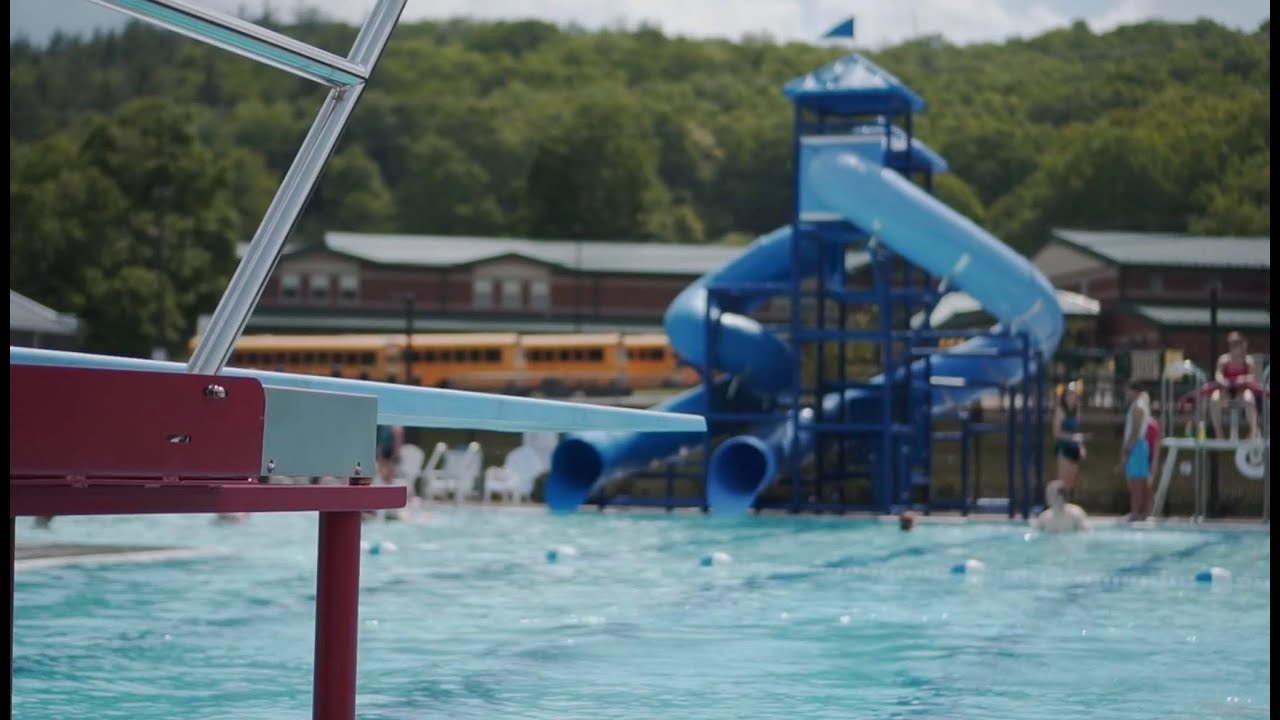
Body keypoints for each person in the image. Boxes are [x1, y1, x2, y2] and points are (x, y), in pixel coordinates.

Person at [1210, 331, 1260, 440]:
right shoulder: (1223, 360)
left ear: (1243, 344)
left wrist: (1242, 379)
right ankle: (1219, 434)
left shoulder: (1248, 361)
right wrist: (1223, 381)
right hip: (1226, 392)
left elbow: (1253, 378)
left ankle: (1253, 432)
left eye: (1237, 343)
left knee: (1249, 398)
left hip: (1242, 392)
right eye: (1232, 343)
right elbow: (1218, 375)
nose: (1234, 346)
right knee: (1214, 398)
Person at [1116, 379, 1152, 521]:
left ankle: (1136, 512)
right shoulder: (1141, 404)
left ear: (1133, 390)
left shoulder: (1138, 406)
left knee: (1136, 480)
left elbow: (1135, 431)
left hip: (1136, 445)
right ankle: (1141, 512)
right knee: (1140, 479)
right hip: (1140, 445)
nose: (1126, 393)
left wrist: (1126, 450)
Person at [1053, 381, 1087, 493]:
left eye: (1073, 394)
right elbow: (1057, 433)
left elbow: (1077, 432)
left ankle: (1067, 507)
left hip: (1074, 449)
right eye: (1069, 394)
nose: (1071, 397)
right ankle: (1059, 507)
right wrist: (1074, 437)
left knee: (1071, 483)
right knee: (1062, 482)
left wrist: (1081, 447)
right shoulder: (1060, 410)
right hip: (1064, 449)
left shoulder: (1076, 411)